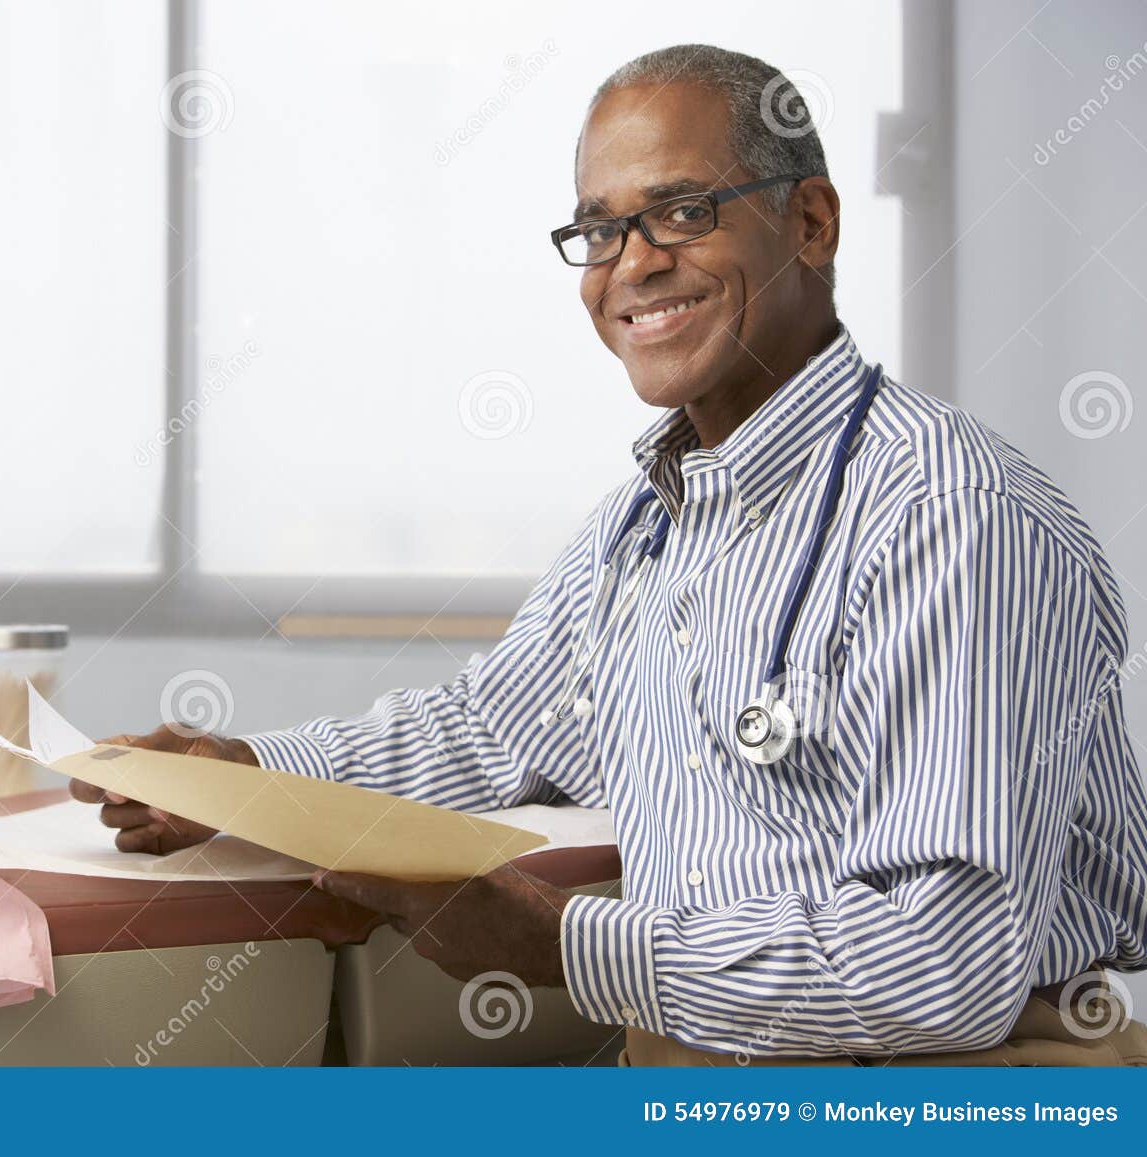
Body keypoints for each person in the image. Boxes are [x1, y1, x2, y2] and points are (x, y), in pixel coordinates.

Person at [73, 44, 1147, 1065]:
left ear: (810, 222)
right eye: (599, 230)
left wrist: (555, 941)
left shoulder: (952, 516)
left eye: (682, 211)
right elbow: (490, 730)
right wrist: (243, 775)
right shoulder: (650, 522)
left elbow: (946, 966)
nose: (633, 265)